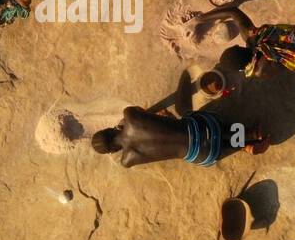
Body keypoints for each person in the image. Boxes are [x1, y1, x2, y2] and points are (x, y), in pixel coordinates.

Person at [90, 70, 266, 168]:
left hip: (202, 155)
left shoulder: (127, 160)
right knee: (197, 121)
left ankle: (244, 145)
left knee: (208, 145)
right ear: (108, 129)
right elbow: (143, 111)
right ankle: (248, 134)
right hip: (205, 127)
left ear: (112, 151)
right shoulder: (130, 115)